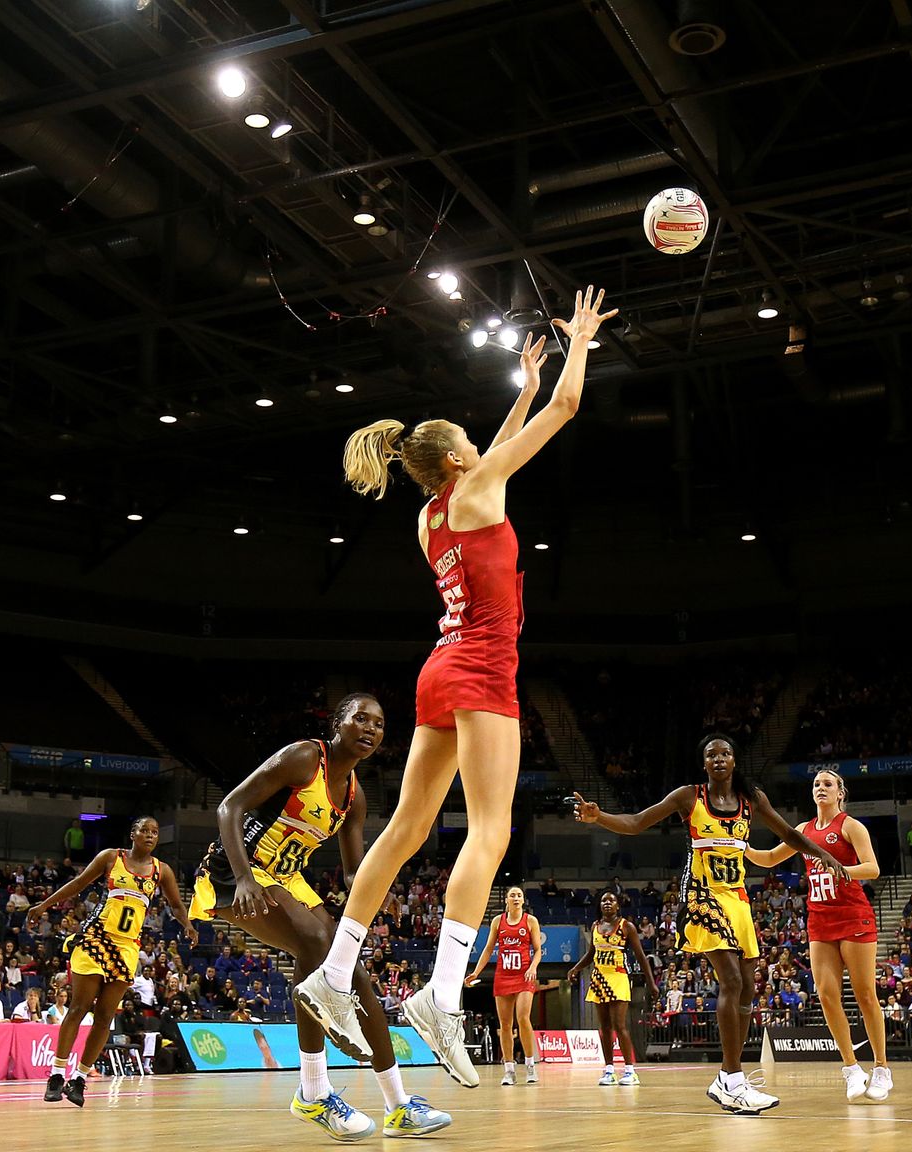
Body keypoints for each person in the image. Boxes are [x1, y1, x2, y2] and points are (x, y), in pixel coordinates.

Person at [295, 289, 616, 1091]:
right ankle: (440, 994)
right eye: (472, 443)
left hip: (438, 666)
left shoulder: (434, 512)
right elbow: (572, 407)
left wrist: (521, 388)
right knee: (492, 831)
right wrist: (575, 346)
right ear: (455, 462)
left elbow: (499, 446)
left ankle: (335, 974)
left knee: (405, 828)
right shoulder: (477, 490)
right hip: (480, 669)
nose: (484, 445)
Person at [191, 695, 451, 1139]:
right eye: (360, 719)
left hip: (287, 879)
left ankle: (399, 1105)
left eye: (379, 724)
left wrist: (384, 891)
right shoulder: (305, 757)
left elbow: (353, 873)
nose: (370, 728)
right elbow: (229, 808)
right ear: (338, 724)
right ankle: (312, 1091)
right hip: (234, 874)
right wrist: (243, 877)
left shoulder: (355, 797)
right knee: (315, 938)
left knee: (356, 973)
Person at [570, 733, 838, 1114]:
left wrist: (824, 855)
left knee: (748, 988)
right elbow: (635, 822)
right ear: (704, 763)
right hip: (701, 894)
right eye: (711, 754)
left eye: (725, 753)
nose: (718, 759)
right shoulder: (688, 796)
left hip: (738, 897)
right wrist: (600, 818)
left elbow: (790, 834)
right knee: (730, 981)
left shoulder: (752, 799)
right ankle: (731, 1079)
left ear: (734, 760)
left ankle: (730, 1078)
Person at [744, 768, 890, 1102]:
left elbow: (873, 869)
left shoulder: (851, 826)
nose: (820, 788)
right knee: (825, 994)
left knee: (866, 994)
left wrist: (837, 869)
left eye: (828, 784)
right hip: (820, 921)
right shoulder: (802, 831)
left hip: (854, 916)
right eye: (816, 784)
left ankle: (882, 1068)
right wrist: (741, 848)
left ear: (841, 792)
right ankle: (852, 1068)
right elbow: (768, 858)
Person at [29, 816, 193, 1108]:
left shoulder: (162, 871)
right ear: (133, 834)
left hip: (127, 948)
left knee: (105, 1016)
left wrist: (188, 926)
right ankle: (56, 1073)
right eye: (145, 830)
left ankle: (79, 1079)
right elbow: (78, 883)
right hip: (97, 938)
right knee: (79, 1007)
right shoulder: (111, 857)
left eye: (155, 832)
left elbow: (177, 906)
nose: (150, 835)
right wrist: (44, 905)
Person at [559, 890, 656, 1087]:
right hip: (598, 978)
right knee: (604, 1028)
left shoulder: (626, 927)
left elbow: (640, 956)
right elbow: (591, 954)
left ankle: (630, 1070)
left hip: (618, 977)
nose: (607, 903)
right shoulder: (595, 926)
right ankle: (609, 1069)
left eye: (611, 900)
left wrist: (651, 982)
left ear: (618, 905)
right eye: (604, 900)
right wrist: (576, 968)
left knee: (620, 1025)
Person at [465, 885, 545, 1086]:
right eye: (512, 895)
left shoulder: (531, 921)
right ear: (506, 900)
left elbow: (538, 950)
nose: (516, 898)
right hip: (503, 976)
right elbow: (488, 948)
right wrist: (476, 972)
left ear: (523, 900)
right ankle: (509, 1069)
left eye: (519, 895)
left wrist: (533, 967)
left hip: (524, 975)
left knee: (523, 1018)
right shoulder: (497, 921)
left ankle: (529, 1065)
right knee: (506, 1025)